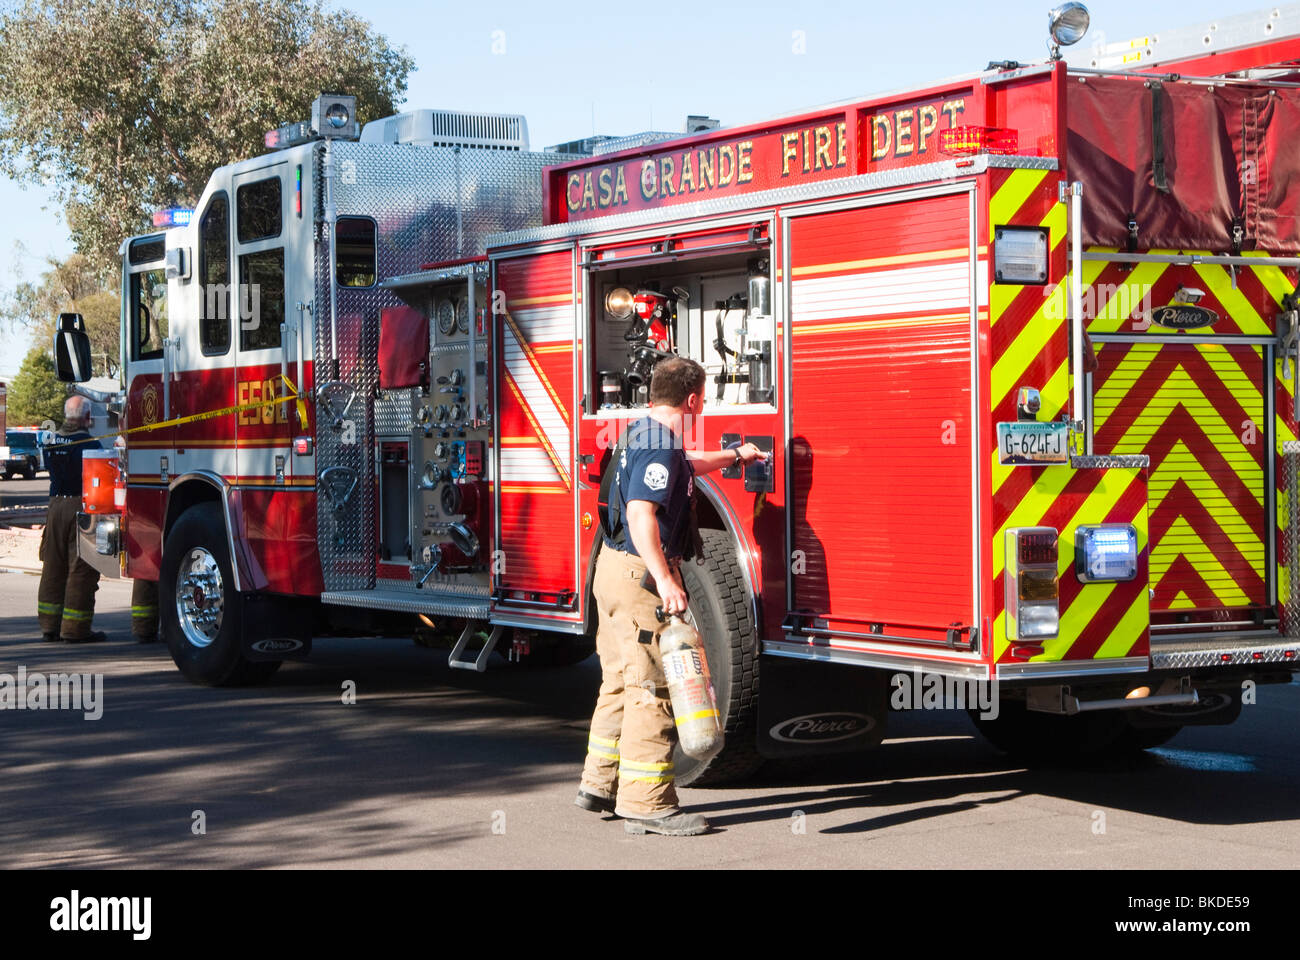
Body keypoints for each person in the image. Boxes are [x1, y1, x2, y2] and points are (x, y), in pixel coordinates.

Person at [576, 356, 768, 836]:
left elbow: (682, 468)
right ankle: (647, 803)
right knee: (653, 687)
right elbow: (642, 515)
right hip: (640, 577)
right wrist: (665, 580)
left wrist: (732, 458)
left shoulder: (642, 432)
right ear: (694, 399)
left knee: (619, 679)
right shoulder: (662, 446)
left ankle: (599, 783)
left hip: (612, 573)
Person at [37, 395, 105, 643]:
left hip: (54, 506)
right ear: (86, 416)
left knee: (52, 566)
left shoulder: (51, 439)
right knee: (81, 568)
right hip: (81, 505)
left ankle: (49, 626)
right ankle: (75, 630)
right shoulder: (90, 443)